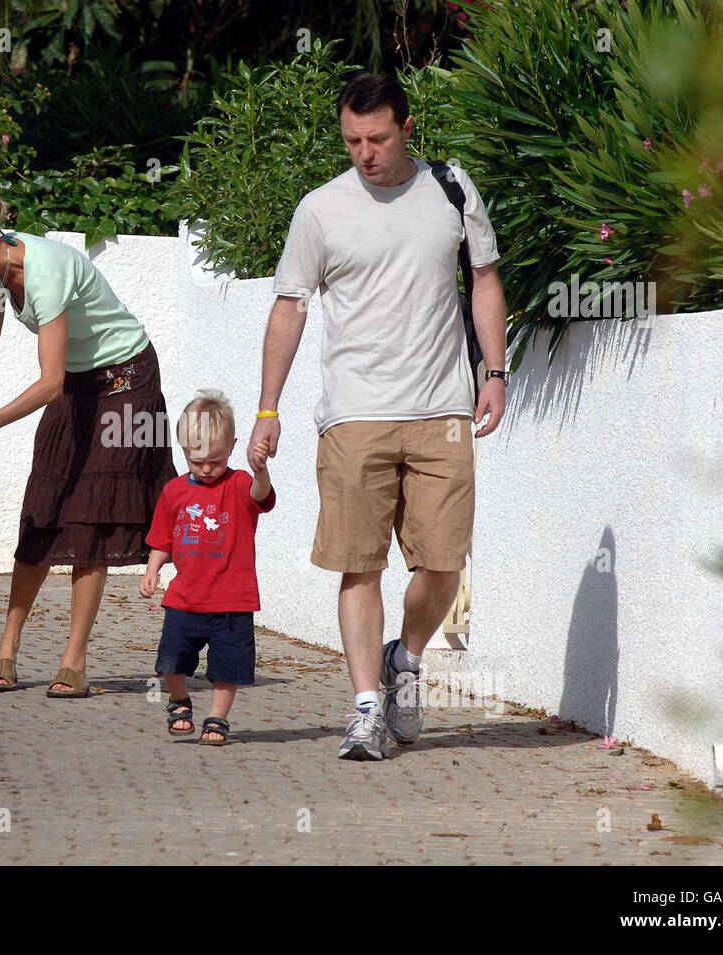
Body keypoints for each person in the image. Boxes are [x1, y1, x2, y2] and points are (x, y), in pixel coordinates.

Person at [248, 71, 509, 760]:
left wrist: (496, 370)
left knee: (443, 562)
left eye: (378, 138)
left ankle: (407, 656)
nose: (365, 153)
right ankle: (366, 707)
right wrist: (268, 406)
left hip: (443, 407)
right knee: (358, 565)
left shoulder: (451, 190)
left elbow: (484, 280)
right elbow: (289, 307)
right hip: (354, 413)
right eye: (352, 140)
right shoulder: (320, 209)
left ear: (407, 127)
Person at [0, 178, 177, 697]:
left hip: (127, 381)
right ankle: (7, 650)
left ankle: (73, 663)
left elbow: (50, 381)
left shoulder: (46, 271)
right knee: (43, 504)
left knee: (94, 512)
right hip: (77, 381)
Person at [141, 391, 275, 745]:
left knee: (228, 667)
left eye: (214, 461)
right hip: (185, 599)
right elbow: (163, 538)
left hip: (233, 600)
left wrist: (261, 470)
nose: (205, 469)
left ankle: (217, 718)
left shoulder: (240, 484)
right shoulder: (173, 492)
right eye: (196, 460)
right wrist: (153, 569)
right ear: (183, 448)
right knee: (170, 659)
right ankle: (179, 699)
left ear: (231, 447)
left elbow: (262, 496)